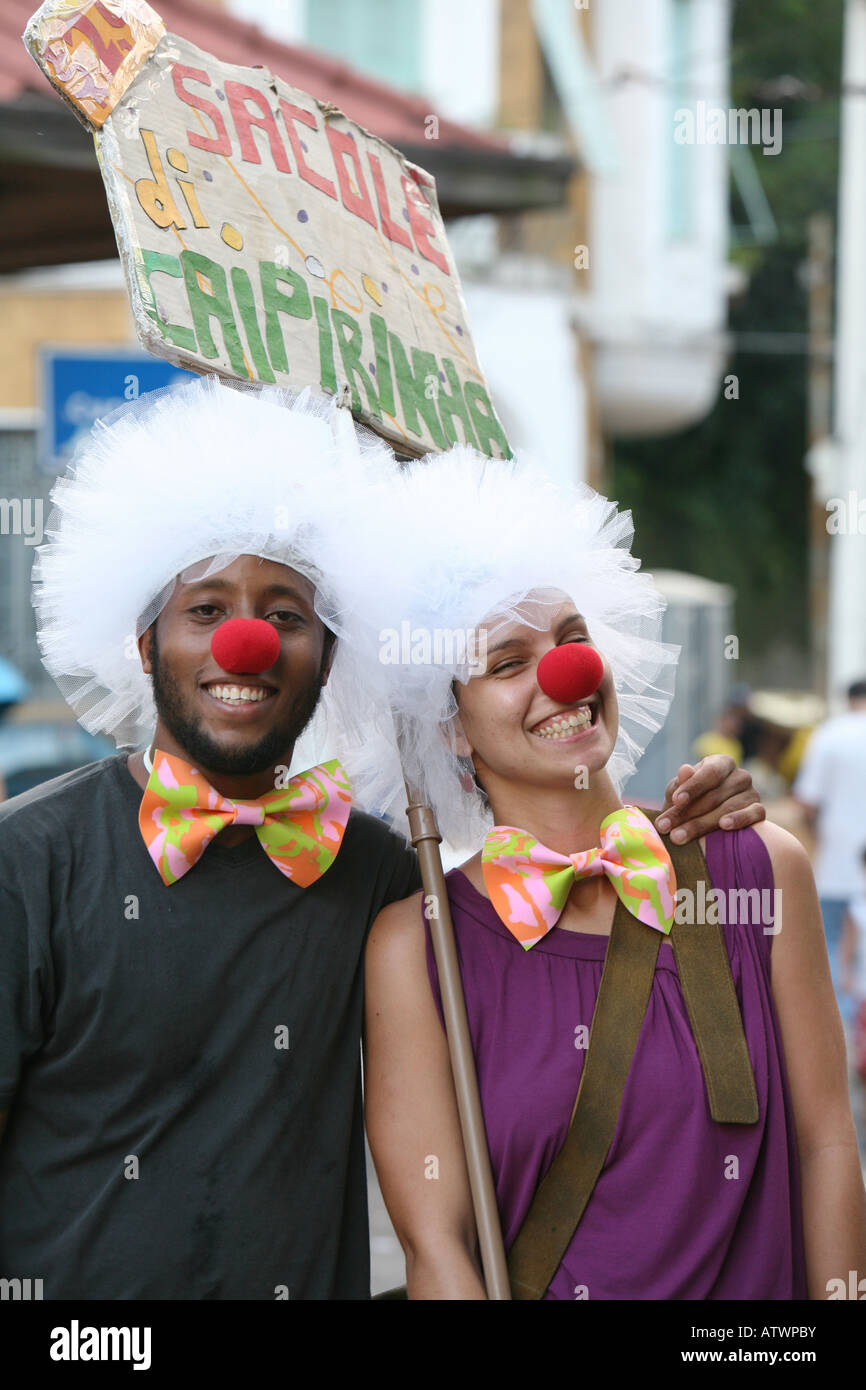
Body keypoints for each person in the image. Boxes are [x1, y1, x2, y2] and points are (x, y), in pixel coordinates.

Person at [0, 383, 765, 1300]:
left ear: (328, 656)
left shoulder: (380, 879)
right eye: (206, 610)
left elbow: (548, 871)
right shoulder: (29, 862)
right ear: (143, 641)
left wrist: (684, 821)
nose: (247, 643)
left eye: (287, 615)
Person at [358, 447, 866, 1300]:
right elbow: (437, 1251)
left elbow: (826, 1145)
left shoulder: (761, 869)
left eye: (572, 640)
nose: (567, 673)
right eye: (508, 663)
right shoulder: (419, 947)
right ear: (450, 728)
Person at [793, 678, 866, 1022]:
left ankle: (847, 1033)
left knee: (834, 948)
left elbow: (807, 801)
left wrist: (817, 833)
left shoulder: (829, 735)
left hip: (838, 866)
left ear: (848, 699)